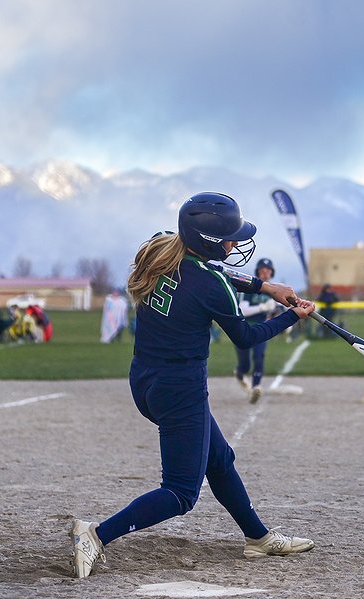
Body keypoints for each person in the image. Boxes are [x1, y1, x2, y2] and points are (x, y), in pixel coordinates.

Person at [69, 192, 316, 579]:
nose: (235, 244)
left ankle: (258, 537)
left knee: (219, 459)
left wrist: (266, 287)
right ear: (210, 242)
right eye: (229, 238)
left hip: (145, 380)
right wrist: (292, 316)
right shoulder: (213, 285)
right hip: (180, 389)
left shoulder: (160, 247)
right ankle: (97, 534)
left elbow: (212, 273)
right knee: (181, 492)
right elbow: (246, 337)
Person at [235, 257, 278, 403]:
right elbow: (243, 310)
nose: (265, 273)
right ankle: (240, 373)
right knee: (245, 364)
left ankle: (256, 388)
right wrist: (262, 307)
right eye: (262, 270)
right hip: (243, 327)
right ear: (258, 272)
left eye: (268, 270)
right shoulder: (250, 287)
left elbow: (276, 312)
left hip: (261, 328)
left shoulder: (273, 290)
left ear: (272, 272)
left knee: (259, 356)